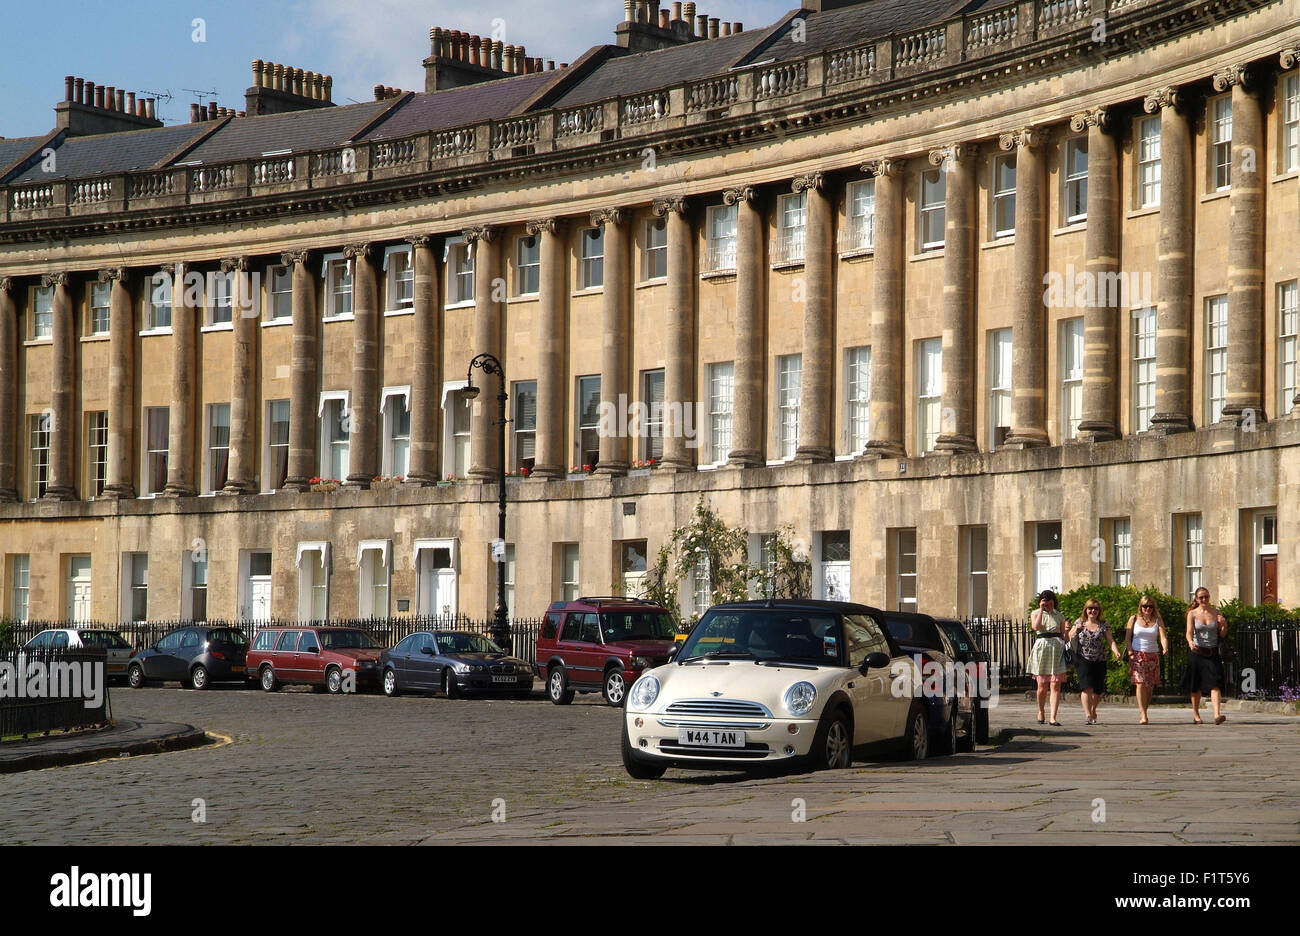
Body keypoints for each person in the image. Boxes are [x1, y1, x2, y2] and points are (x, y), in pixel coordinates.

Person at [1067, 599, 1122, 725]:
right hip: (1082, 658)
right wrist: (1076, 629)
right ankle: (1087, 715)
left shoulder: (1103, 624)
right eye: (1090, 608)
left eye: (1096, 609)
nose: (1093, 611)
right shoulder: (1079, 622)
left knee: (1098, 690)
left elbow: (1110, 640)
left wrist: (1116, 651)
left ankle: (1093, 710)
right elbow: (1068, 636)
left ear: (1099, 611)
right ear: (1086, 610)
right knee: (1086, 687)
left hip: (1099, 659)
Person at [1183, 587, 1228, 725]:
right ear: (1196, 599)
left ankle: (1217, 715)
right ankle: (1196, 714)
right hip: (1197, 652)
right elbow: (1189, 632)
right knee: (1195, 686)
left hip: (1212, 652)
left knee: (1215, 683)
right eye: (1201, 597)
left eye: (1206, 597)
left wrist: (1224, 624)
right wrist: (1190, 642)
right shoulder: (1192, 614)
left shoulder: (1216, 613)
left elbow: (1222, 634)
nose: (1204, 600)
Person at [1124, 595, 1170, 724]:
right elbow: (1128, 638)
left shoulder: (1157, 620)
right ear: (1140, 607)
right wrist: (1130, 652)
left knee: (1149, 686)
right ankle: (1143, 714)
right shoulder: (1133, 619)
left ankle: (1145, 709)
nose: (1147, 609)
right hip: (1137, 654)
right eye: (1145, 606)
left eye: (1150, 606)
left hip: (1152, 654)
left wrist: (1165, 648)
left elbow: (1163, 636)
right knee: (1140, 683)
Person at [1027, 590, 1068, 725]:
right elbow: (1036, 627)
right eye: (1045, 603)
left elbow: (1065, 637)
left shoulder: (1060, 616)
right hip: (1042, 649)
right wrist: (1040, 610)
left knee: (1055, 684)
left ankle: (1053, 717)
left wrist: (1067, 630)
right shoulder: (1035, 613)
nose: (1048, 606)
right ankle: (1041, 711)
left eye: (1050, 603)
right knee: (1042, 686)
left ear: (1053, 602)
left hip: (1056, 649)